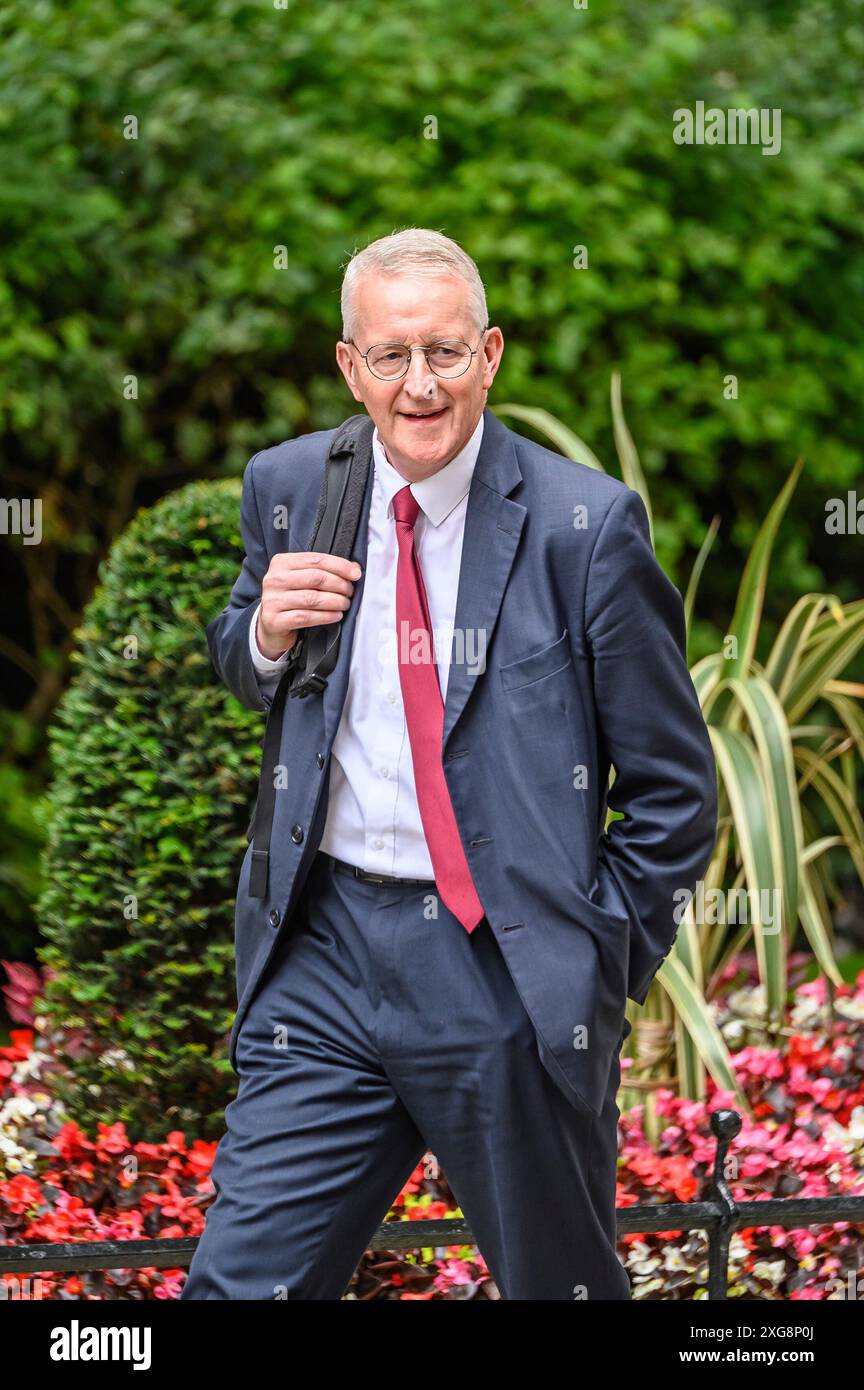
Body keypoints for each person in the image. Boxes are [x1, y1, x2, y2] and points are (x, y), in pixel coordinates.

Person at [180, 227, 717, 1300]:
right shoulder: (289, 485)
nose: (419, 384)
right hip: (322, 958)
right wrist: (263, 638)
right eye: (391, 356)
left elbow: (674, 795)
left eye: (446, 352)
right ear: (350, 365)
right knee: (239, 1287)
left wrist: (587, 962)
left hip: (500, 968)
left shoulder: (584, 527)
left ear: (492, 355)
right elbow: (247, 658)